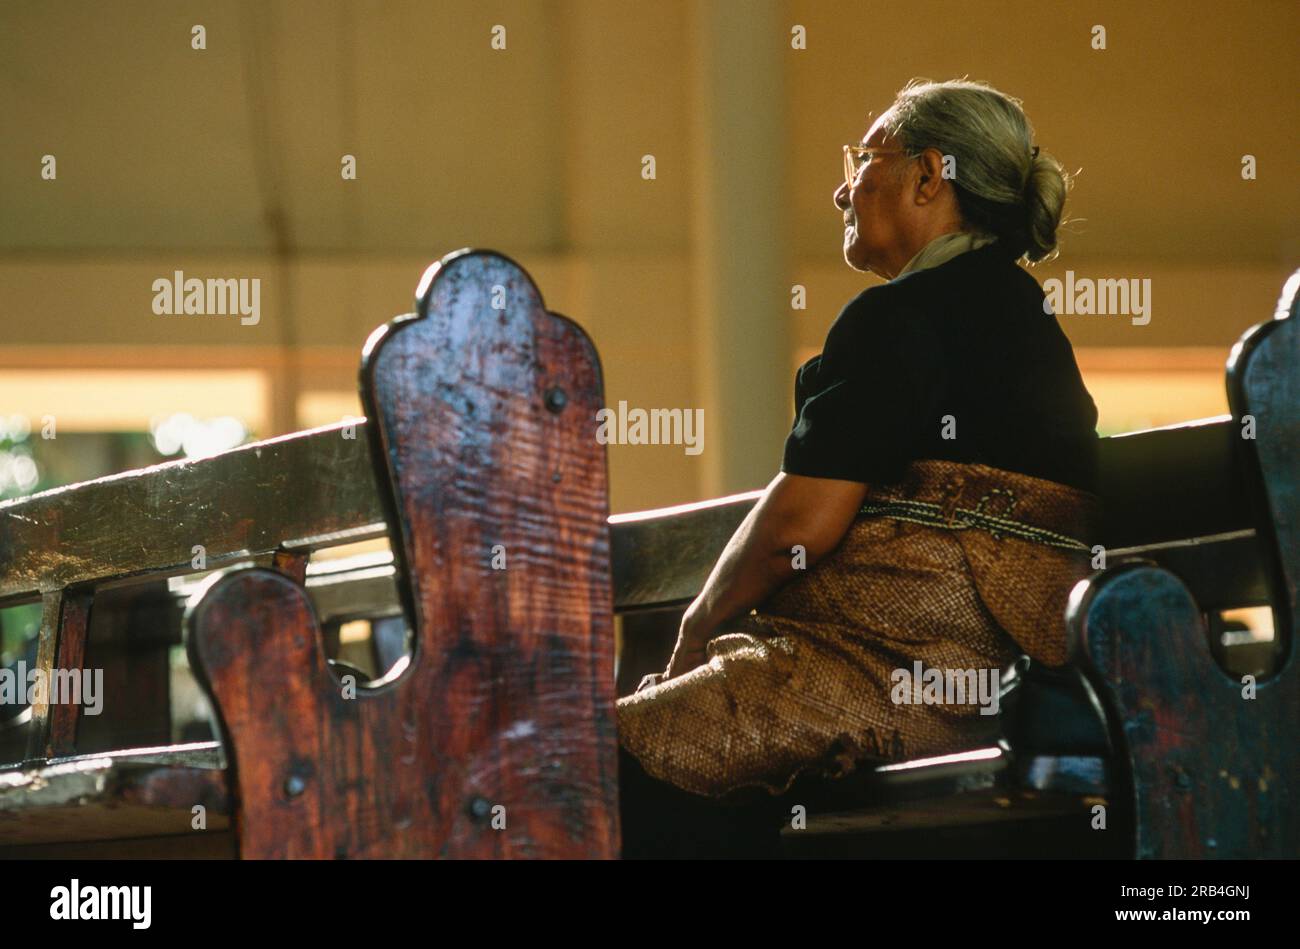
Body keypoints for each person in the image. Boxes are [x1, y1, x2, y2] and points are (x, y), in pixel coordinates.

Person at [616, 78, 1100, 858]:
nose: (844, 187)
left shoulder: (901, 318)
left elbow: (797, 531)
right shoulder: (1028, 321)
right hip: (1006, 677)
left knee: (599, 768)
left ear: (927, 175)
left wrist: (696, 626)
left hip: (897, 671)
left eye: (865, 158)